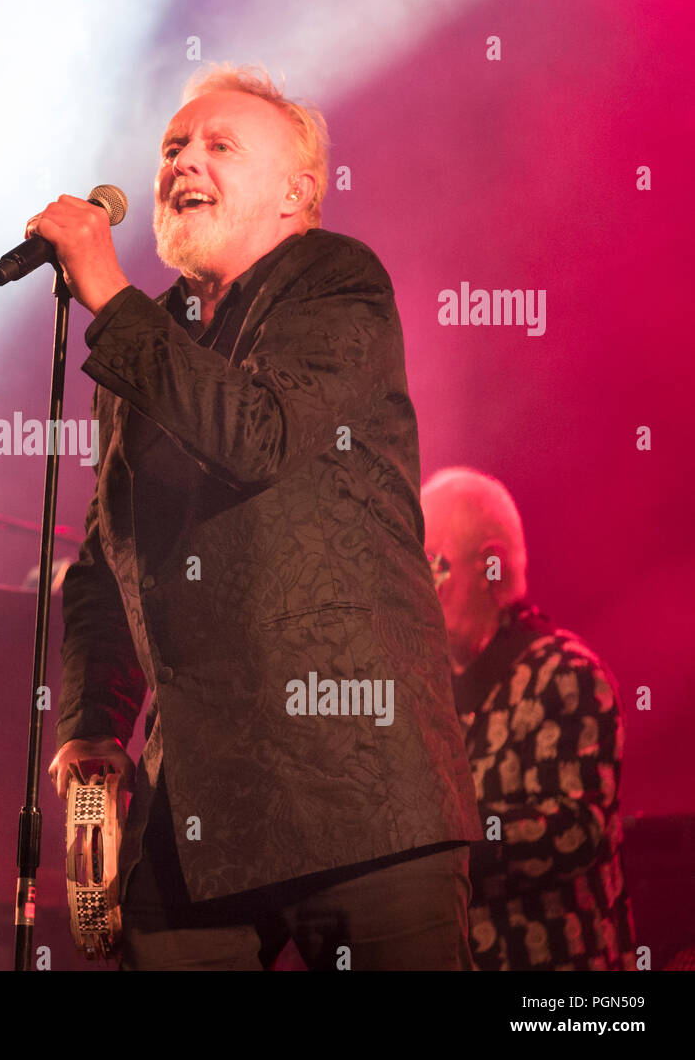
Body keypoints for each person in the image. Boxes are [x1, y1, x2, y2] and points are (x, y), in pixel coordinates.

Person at [35, 63, 482, 970]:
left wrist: (110, 298)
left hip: (360, 791)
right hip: (197, 798)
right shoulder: (150, 336)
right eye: (171, 148)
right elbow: (105, 558)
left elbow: (258, 433)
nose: (181, 162)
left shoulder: (334, 281)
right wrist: (91, 724)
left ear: (297, 192)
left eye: (217, 145)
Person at [421, 467, 637, 970]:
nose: (420, 586)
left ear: (490, 566)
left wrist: (436, 843)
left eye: (434, 564)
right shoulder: (426, 688)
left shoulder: (567, 673)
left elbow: (572, 830)